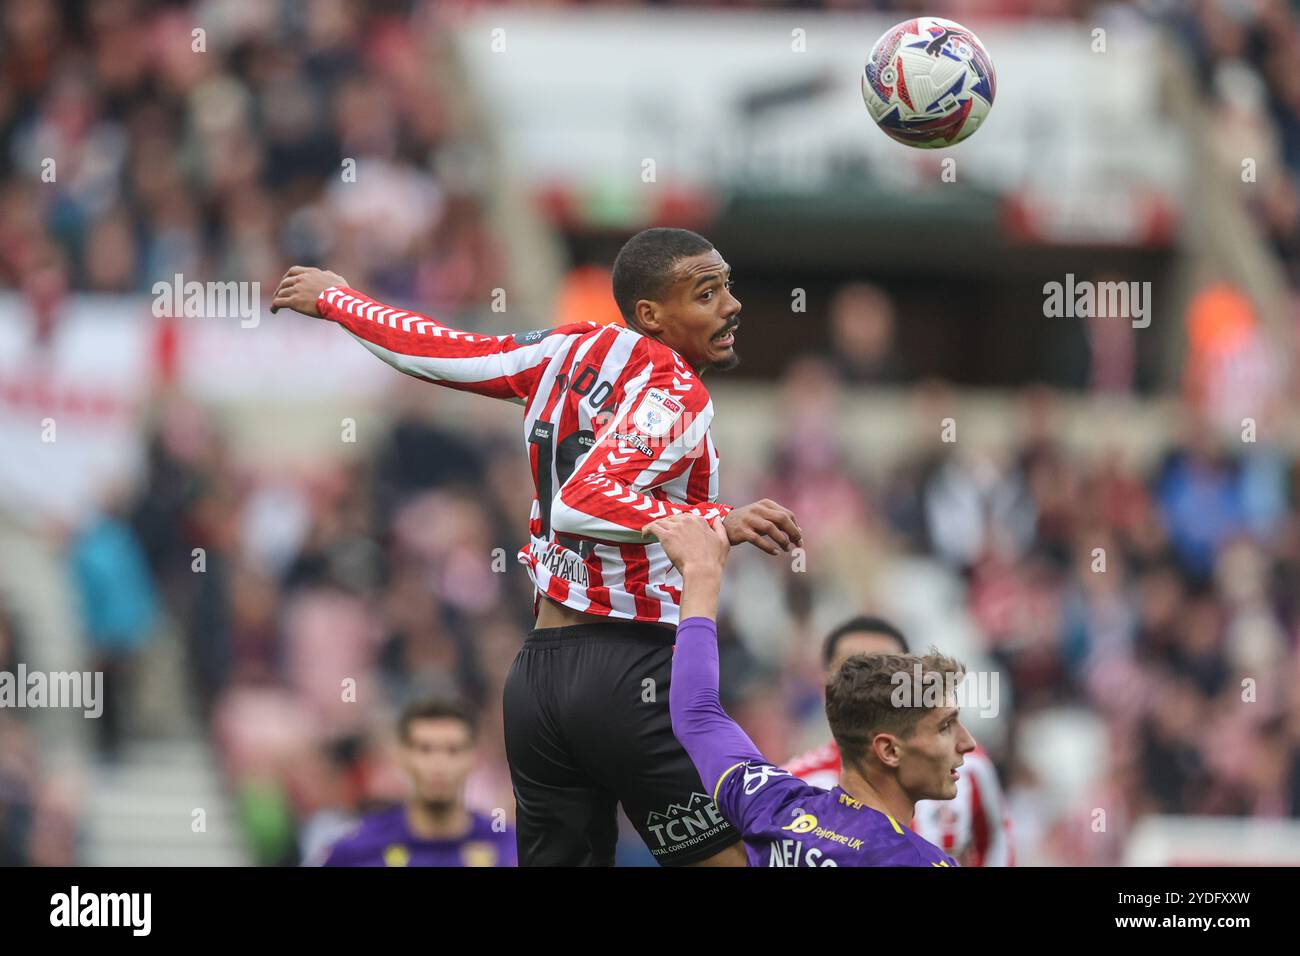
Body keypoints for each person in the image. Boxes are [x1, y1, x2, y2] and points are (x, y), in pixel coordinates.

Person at [271, 228, 801, 866]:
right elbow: (582, 499)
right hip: (629, 673)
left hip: (538, 682)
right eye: (707, 293)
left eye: (727, 287)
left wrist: (340, 300)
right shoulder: (675, 391)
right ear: (652, 315)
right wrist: (715, 518)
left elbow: (446, 353)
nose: (732, 305)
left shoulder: (565, 348)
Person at [651, 513, 970, 867]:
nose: (966, 743)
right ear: (888, 750)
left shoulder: (774, 803)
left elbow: (696, 714)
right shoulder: (920, 862)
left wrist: (700, 575)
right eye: (945, 726)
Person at [786, 616, 1014, 866]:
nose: (872, 683)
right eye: (853, 672)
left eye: (887, 673)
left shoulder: (968, 768)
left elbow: (995, 843)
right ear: (827, 688)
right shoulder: (795, 786)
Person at [320, 698, 516, 867]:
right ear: (401, 756)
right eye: (425, 749)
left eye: (453, 750)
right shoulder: (357, 850)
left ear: (474, 757)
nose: (438, 764)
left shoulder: (509, 849)